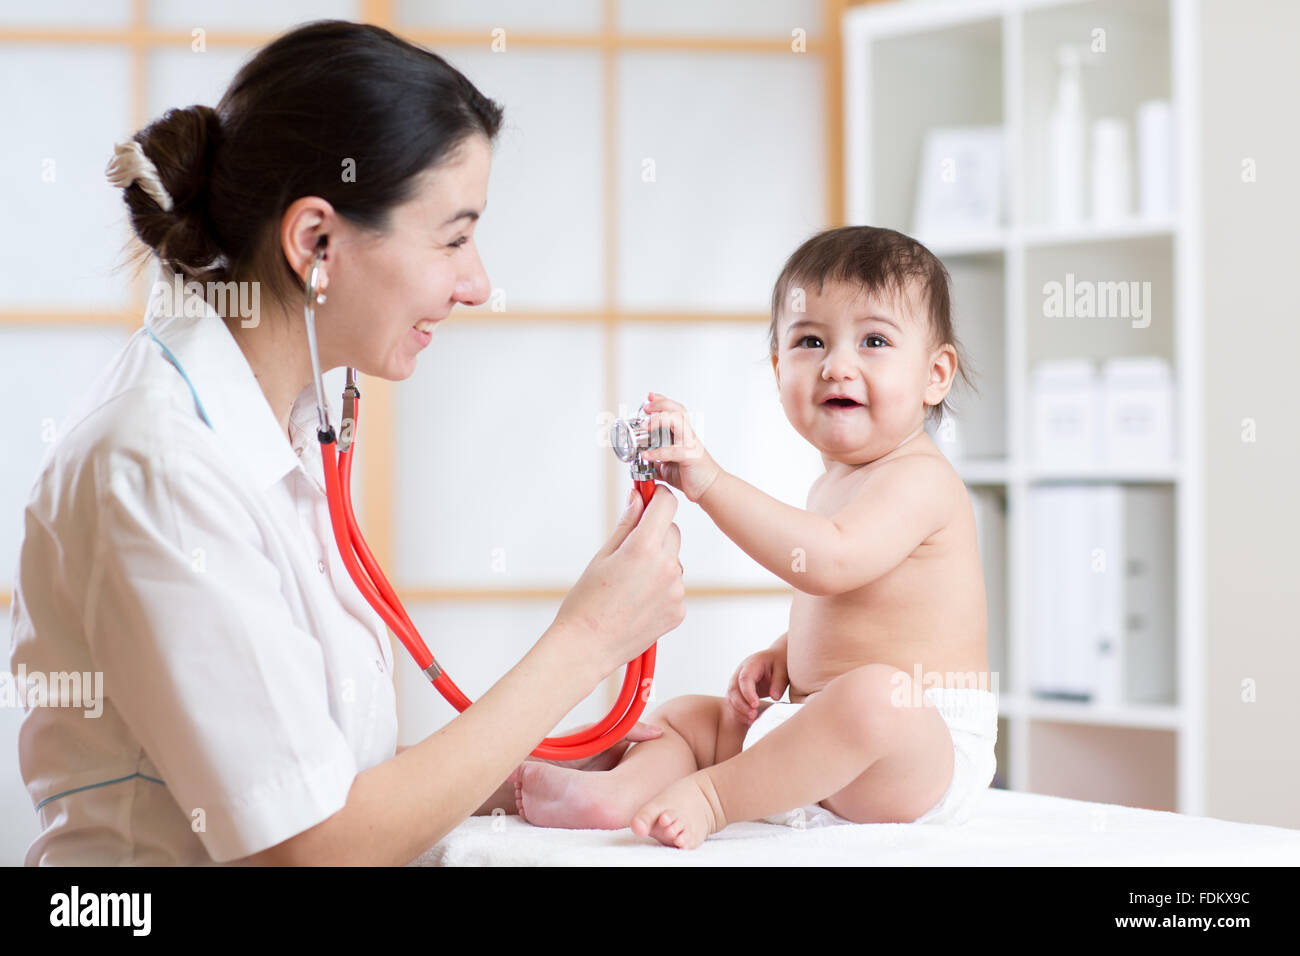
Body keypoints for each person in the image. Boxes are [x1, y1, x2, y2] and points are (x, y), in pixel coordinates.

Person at [8, 19, 684, 866]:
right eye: (454, 238)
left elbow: (311, 783)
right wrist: (586, 643)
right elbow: (311, 846)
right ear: (316, 245)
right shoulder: (158, 464)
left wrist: (542, 769)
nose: (477, 284)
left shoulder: (273, 429)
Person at [509, 225, 998, 849]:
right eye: (810, 340)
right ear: (777, 369)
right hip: (813, 738)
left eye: (874, 340)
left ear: (935, 374)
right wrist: (784, 652)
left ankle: (714, 796)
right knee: (688, 718)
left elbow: (830, 562)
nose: (836, 364)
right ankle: (616, 795)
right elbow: (861, 606)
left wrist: (709, 482)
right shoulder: (836, 483)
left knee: (881, 697)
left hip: (918, 751)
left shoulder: (921, 480)